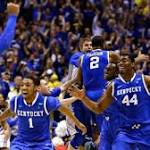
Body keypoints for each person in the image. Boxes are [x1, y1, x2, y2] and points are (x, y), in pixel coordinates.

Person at [68, 53, 150, 150]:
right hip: (125, 133)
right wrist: (83, 98)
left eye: (124, 61)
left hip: (146, 130)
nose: (120, 63)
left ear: (132, 64)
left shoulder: (145, 80)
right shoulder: (113, 86)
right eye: (119, 62)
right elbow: (98, 108)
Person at [0, 75, 87, 150]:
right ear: (39, 88)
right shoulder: (16, 101)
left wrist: (78, 123)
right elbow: (8, 112)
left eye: (27, 85)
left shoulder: (48, 99)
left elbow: (62, 102)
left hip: (42, 142)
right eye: (22, 85)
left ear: (36, 88)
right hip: (21, 142)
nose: (24, 87)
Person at [67, 37, 94, 150]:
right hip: (74, 100)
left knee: (87, 136)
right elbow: (80, 64)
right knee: (78, 136)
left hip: (86, 99)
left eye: (91, 45)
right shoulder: (77, 56)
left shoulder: (92, 60)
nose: (89, 47)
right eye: (86, 45)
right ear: (80, 47)